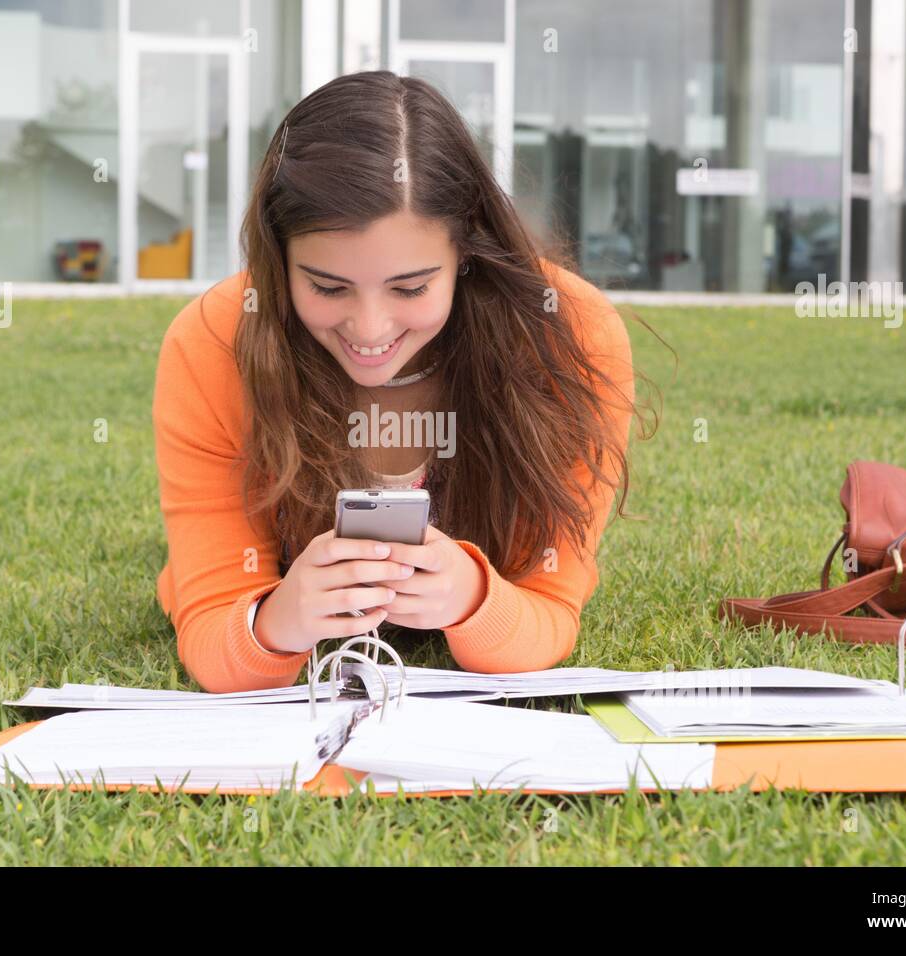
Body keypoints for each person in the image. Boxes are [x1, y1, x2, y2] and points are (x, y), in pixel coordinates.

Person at [153, 71, 642, 693]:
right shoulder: (214, 340)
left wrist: (473, 598)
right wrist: (278, 622)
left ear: (467, 246)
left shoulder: (570, 334)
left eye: (410, 287)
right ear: (277, 257)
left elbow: (550, 608)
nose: (369, 327)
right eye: (327, 287)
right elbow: (214, 626)